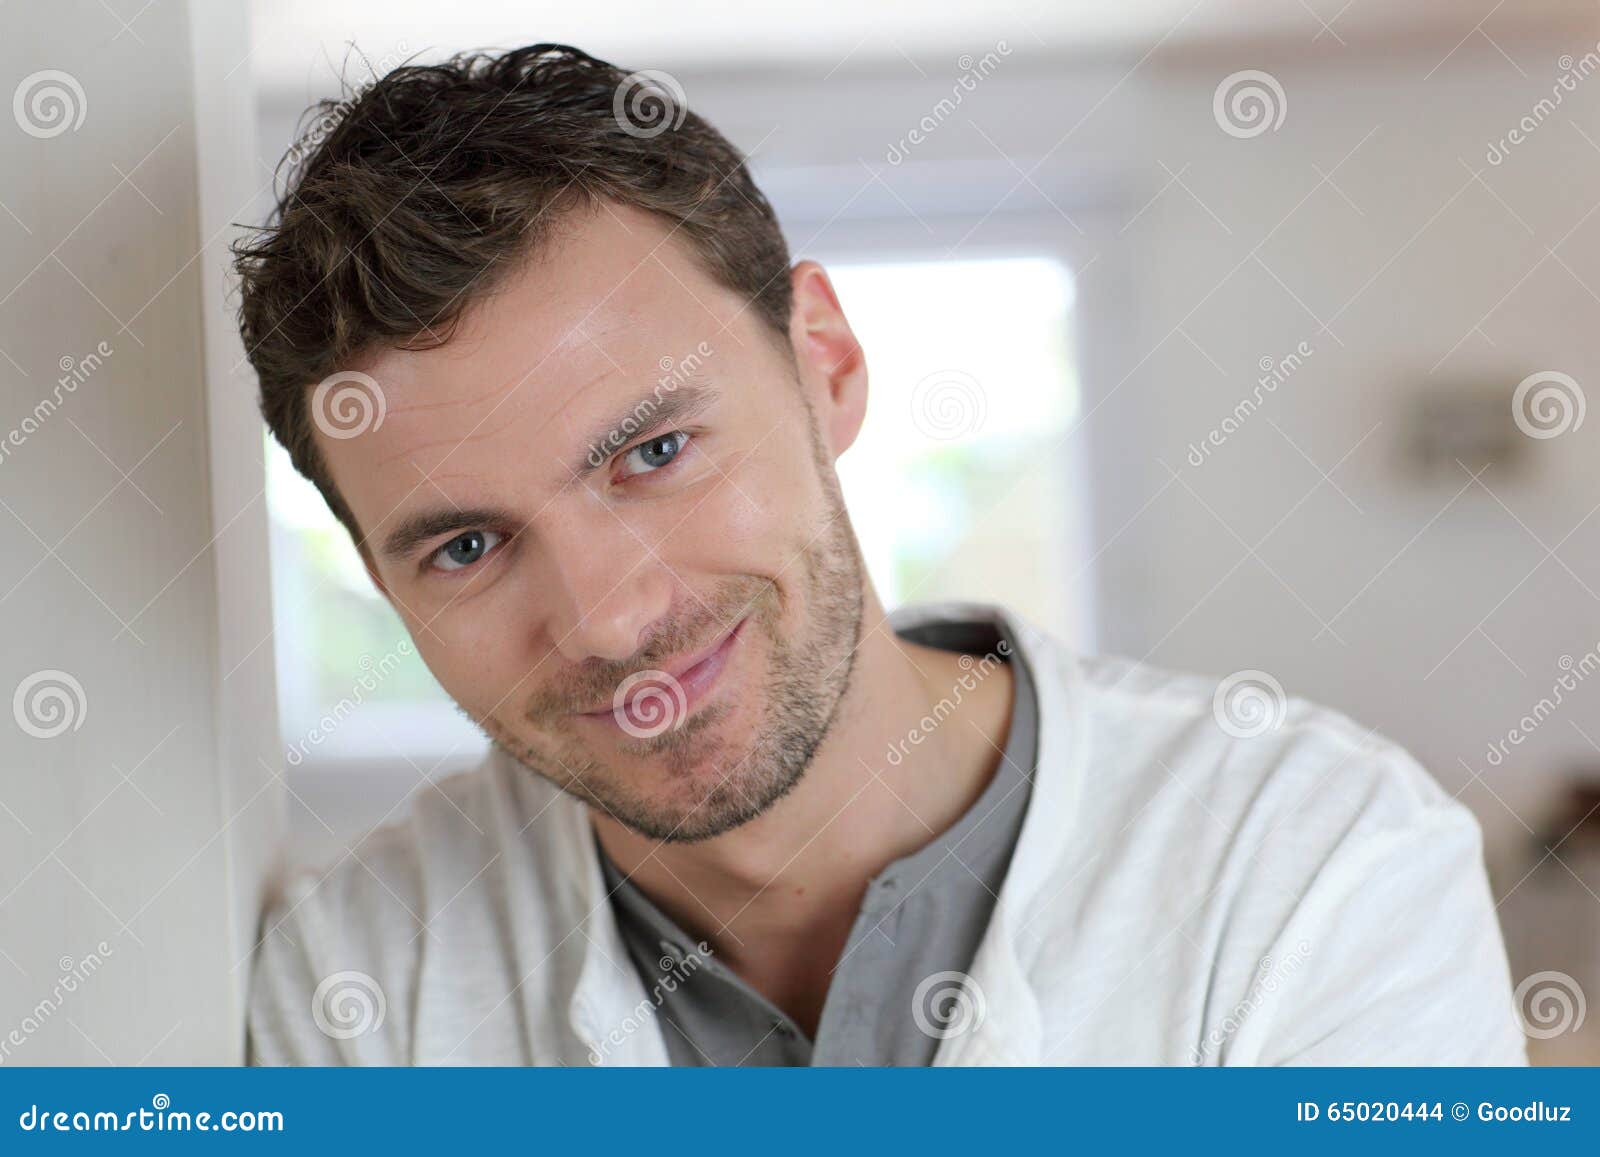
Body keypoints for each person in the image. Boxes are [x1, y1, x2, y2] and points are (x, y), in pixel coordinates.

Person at [234, 43, 1525, 1066]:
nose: (611, 620)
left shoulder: (1318, 871)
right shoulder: (360, 988)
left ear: (828, 369)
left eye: (654, 453)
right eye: (466, 544)